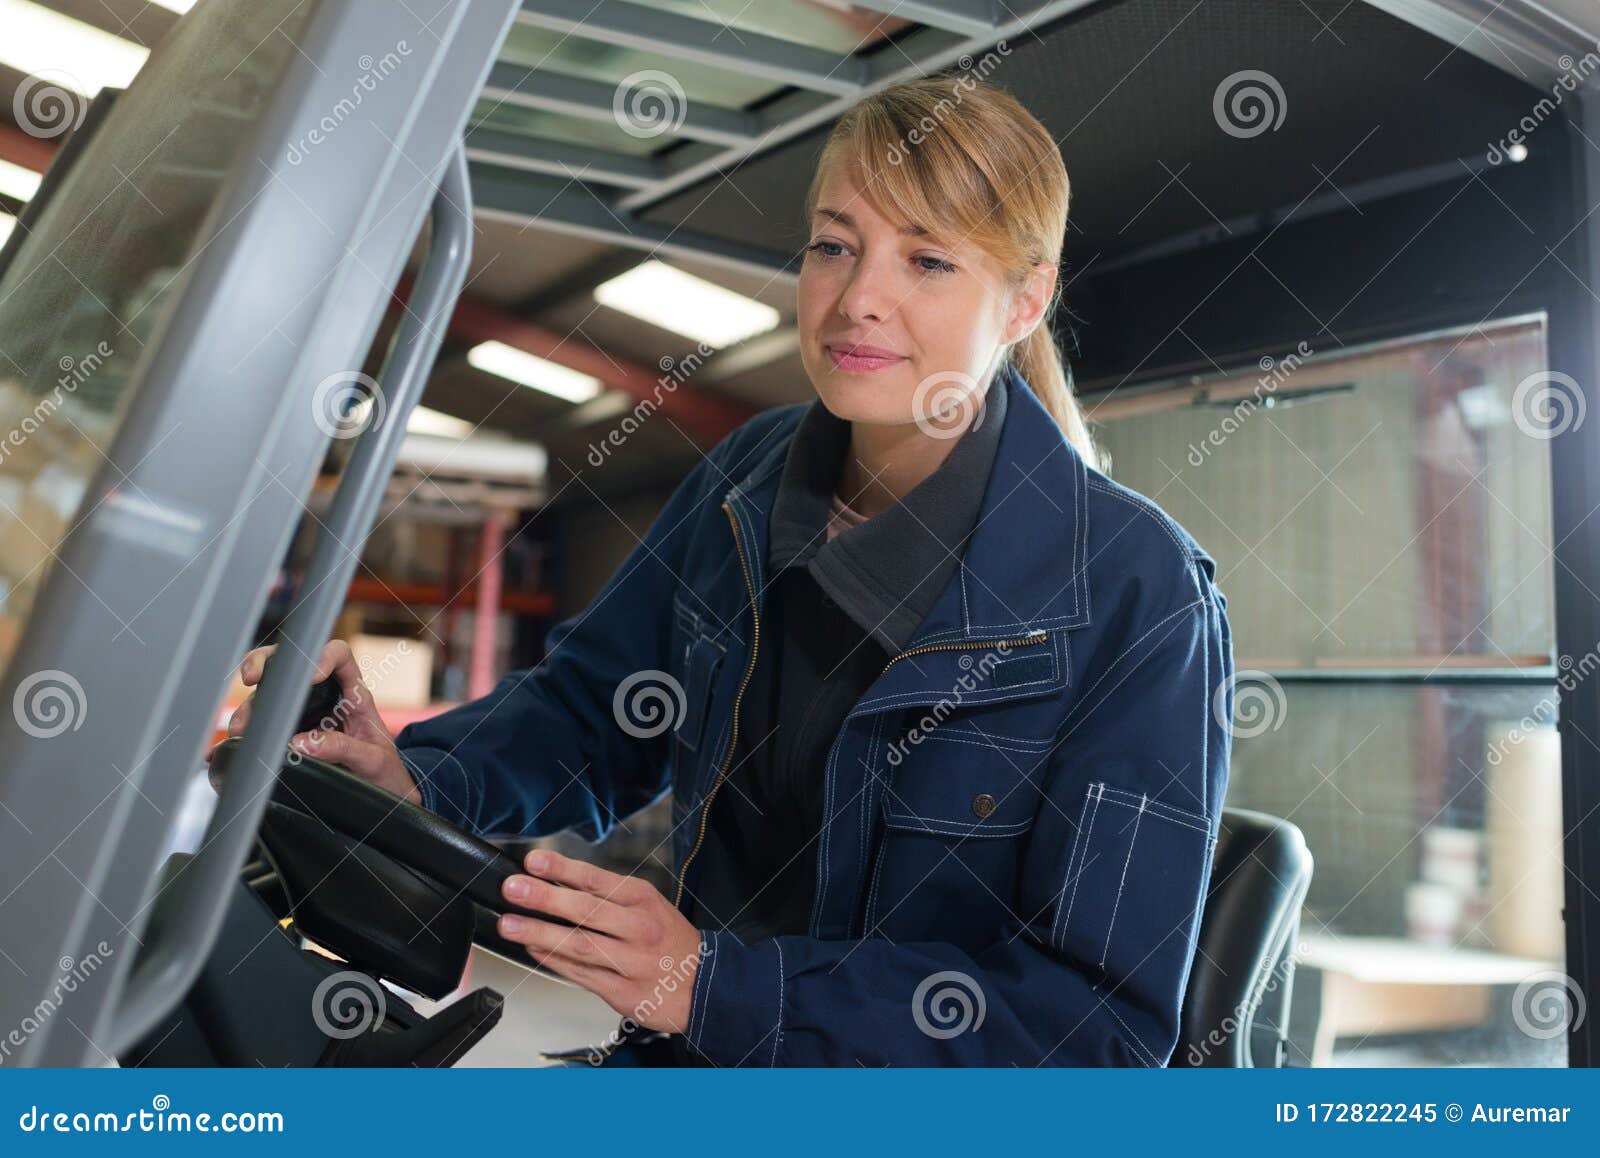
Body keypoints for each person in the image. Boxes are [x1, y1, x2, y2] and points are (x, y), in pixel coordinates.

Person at [227, 74, 1234, 1066]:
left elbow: (1093, 1028)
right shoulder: (745, 482)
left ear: (1023, 302)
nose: (856, 300)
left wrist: (716, 988)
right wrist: (418, 778)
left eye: (926, 260)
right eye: (834, 247)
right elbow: (590, 713)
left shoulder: (1139, 595)